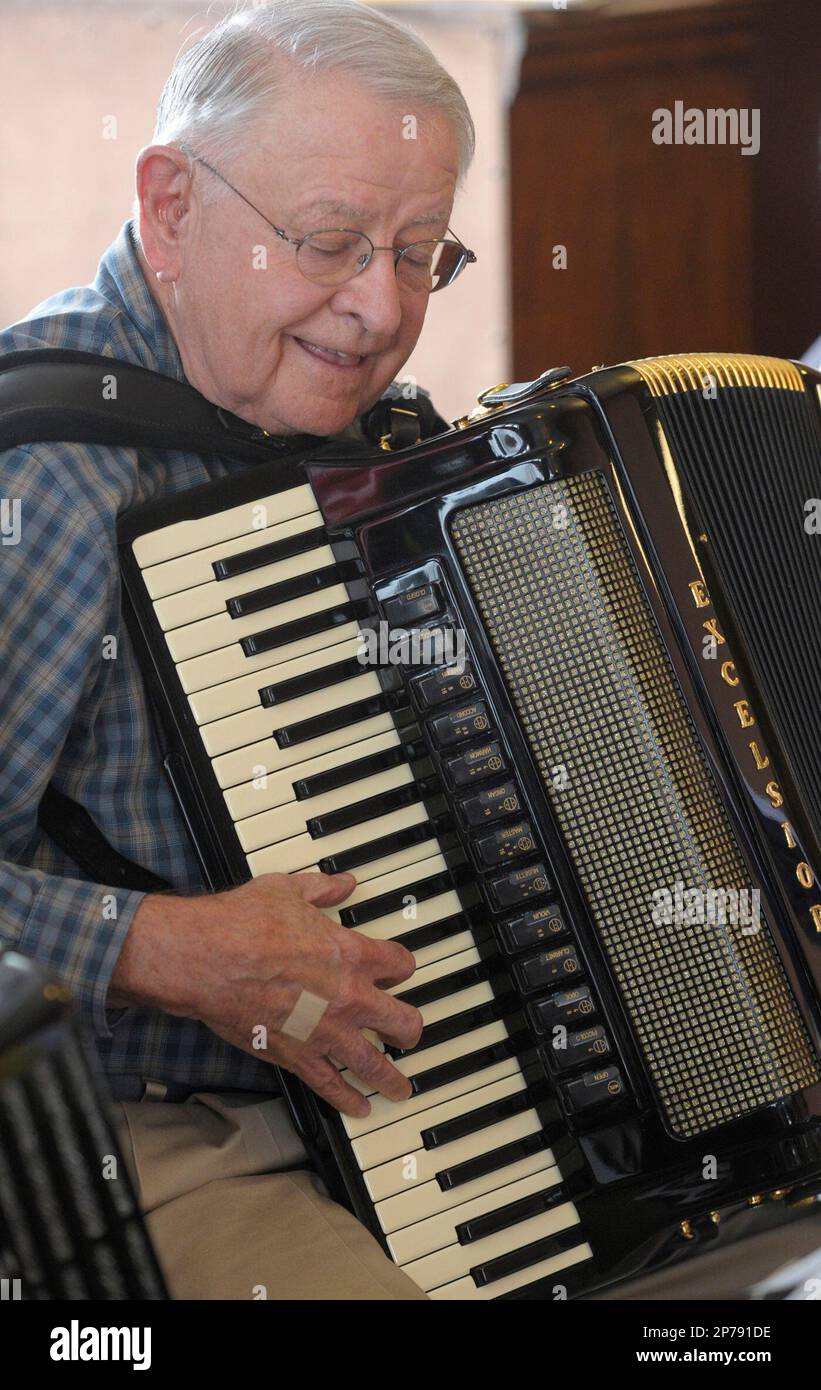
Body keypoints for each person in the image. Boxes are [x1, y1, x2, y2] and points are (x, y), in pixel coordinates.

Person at [0, 0, 475, 1299]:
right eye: (327, 242)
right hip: (141, 1125)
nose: (378, 308)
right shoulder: (41, 471)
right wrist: (165, 950)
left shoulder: (378, 445)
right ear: (169, 206)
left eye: (421, 254)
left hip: (434, 1090)